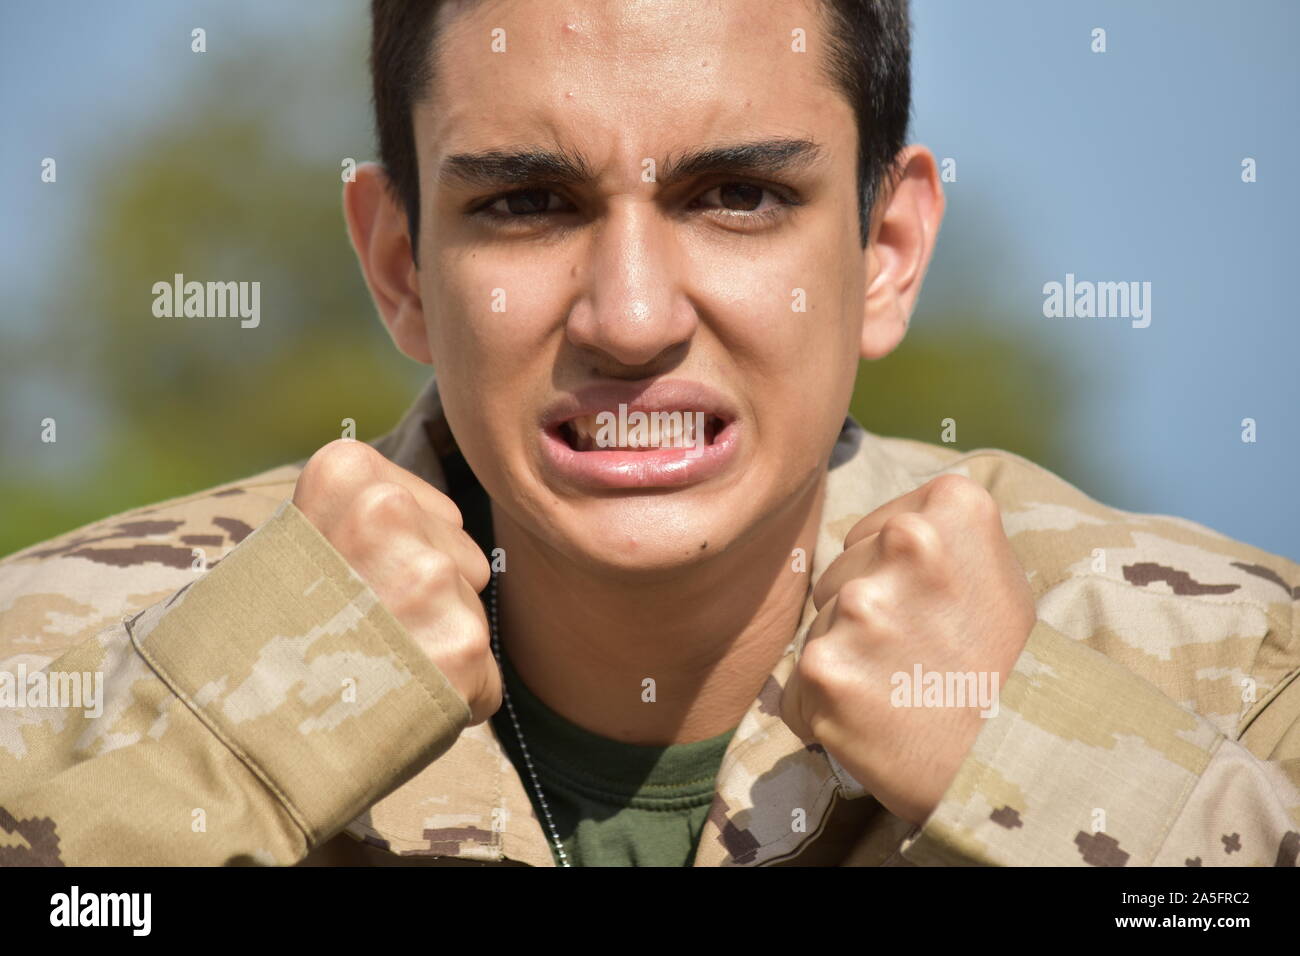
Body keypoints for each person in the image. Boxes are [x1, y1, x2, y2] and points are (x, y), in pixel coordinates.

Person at [1, 0, 1296, 868]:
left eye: (739, 195)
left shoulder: (1244, 678)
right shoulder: (39, 665)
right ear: (398, 264)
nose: (629, 318)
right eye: (525, 202)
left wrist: (1049, 770)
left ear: (888, 250)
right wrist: (231, 754)